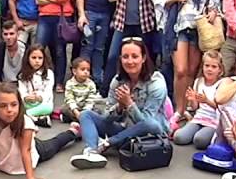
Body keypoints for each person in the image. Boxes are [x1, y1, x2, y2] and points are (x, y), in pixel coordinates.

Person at [70, 37, 168, 169]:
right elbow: (106, 117)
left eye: (135, 56)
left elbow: (147, 122)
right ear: (120, 59)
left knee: (151, 124)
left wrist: (129, 104)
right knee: (85, 115)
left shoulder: (156, 83)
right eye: (125, 57)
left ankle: (106, 144)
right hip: (125, 132)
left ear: (143, 58)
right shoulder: (117, 81)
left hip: (150, 137)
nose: (130, 61)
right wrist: (120, 107)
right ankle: (92, 151)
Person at [159, 0, 220, 123]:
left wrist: (213, 12)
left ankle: (188, 107)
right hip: (178, 26)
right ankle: (179, 109)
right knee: (180, 70)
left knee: (192, 70)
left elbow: (214, 2)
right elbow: (158, 0)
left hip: (199, 27)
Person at [104, 0, 157, 94]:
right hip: (122, 21)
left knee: (144, 57)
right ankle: (107, 90)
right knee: (113, 55)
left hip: (143, 22)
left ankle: (146, 89)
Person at [34, 0, 75, 92]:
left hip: (61, 18)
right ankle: (35, 80)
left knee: (59, 51)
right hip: (44, 17)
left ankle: (59, 82)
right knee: (38, 48)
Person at [173, 49, 225, 149]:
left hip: (214, 121)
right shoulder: (198, 81)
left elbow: (222, 108)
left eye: (214, 67)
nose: (209, 69)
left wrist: (207, 101)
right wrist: (192, 99)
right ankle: (191, 125)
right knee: (179, 137)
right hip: (199, 118)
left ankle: (212, 135)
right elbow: (195, 107)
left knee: (199, 140)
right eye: (207, 66)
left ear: (220, 70)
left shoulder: (222, 84)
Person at [17, 43, 55, 126]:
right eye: (33, 58)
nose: (37, 61)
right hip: (28, 102)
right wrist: (26, 97)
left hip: (42, 102)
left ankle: (26, 116)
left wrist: (40, 97)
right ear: (28, 59)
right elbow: (22, 91)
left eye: (40, 58)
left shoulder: (49, 73)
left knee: (48, 107)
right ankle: (38, 118)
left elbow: (48, 91)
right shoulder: (22, 74)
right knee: (19, 105)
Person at [63, 56, 104, 124]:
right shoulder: (69, 83)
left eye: (88, 70)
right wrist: (76, 111)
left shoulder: (91, 84)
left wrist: (85, 113)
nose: (86, 72)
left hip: (86, 108)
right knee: (64, 109)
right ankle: (80, 119)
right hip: (74, 108)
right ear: (74, 71)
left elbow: (90, 100)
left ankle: (77, 119)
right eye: (82, 69)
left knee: (98, 111)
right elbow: (69, 99)